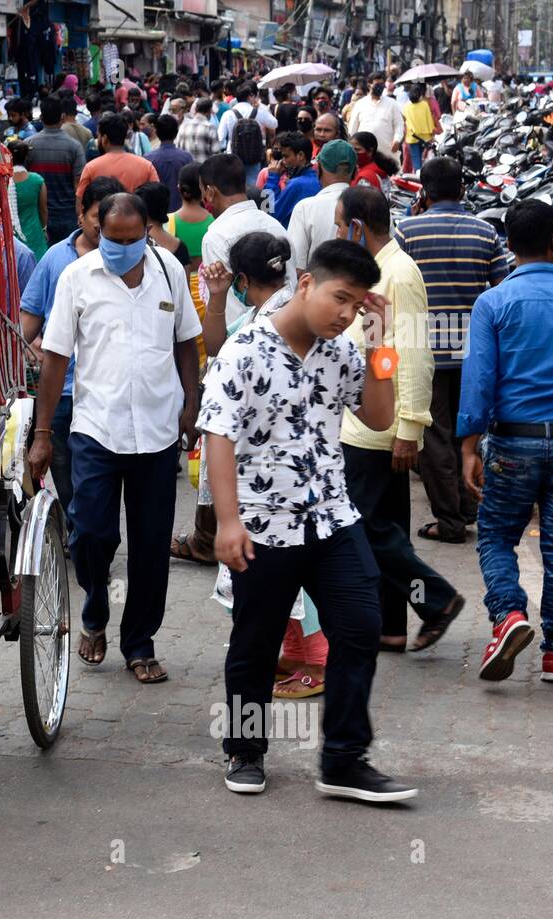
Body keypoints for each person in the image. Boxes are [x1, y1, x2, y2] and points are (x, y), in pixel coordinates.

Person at [201, 239, 417, 802]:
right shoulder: (245, 350)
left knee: (361, 627)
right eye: (339, 298)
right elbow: (218, 435)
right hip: (263, 526)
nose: (346, 314)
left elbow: (380, 416)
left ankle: (343, 760)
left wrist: (380, 346)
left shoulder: (342, 351)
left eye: (356, 305)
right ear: (305, 283)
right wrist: (228, 521)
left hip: (332, 519)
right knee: (255, 644)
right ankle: (245, 750)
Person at [30, 189, 201, 684]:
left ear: (147, 232)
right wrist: (42, 433)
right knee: (91, 533)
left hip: (158, 430)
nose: (122, 247)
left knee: (150, 546)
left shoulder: (169, 272)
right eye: (112, 238)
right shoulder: (76, 277)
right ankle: (95, 608)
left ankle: (140, 642)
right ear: (96, 229)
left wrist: (191, 402)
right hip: (96, 429)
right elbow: (55, 358)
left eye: (131, 239)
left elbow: (186, 342)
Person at [458, 201, 553, 684]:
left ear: (508, 246)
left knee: (496, 535)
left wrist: (468, 445)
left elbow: (479, 381)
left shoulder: (493, 303)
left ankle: (508, 615)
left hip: (511, 446)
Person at [335, 186, 464, 653]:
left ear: (356, 227)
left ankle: (438, 600)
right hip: (371, 421)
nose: (336, 234)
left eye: (339, 226)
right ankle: (391, 627)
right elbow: (382, 351)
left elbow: (412, 354)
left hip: (378, 429)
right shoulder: (375, 273)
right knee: (387, 533)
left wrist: (409, 426)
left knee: (368, 530)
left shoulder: (400, 273)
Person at [394, 157, 510, 544]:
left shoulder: (406, 231)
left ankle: (450, 519)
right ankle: (468, 505)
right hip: (475, 351)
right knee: (468, 430)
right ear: (462, 189)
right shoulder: (486, 233)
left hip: (424, 349)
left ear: (423, 192)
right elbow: (501, 293)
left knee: (434, 437)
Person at [171, 231, 294, 569]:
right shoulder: (261, 312)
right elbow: (215, 346)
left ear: (242, 279)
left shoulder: (276, 316)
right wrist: (218, 297)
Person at [22, 176, 126, 530]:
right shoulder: (56, 258)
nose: (105, 226)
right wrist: (18, 352)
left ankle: (93, 537)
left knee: (100, 482)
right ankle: (78, 535)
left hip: (109, 393)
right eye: (99, 217)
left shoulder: (132, 263)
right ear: (82, 215)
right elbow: (30, 316)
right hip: (62, 392)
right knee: (67, 481)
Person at [198, 153, 294, 325]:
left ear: (210, 192)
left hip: (247, 335)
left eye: (202, 192)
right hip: (288, 324)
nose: (202, 199)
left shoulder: (215, 237)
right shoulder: (275, 225)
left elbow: (230, 310)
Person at [286, 139, 356, 273]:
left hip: (319, 284)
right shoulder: (371, 203)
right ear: (355, 172)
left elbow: (296, 268)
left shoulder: (305, 208)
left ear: (318, 169)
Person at [25, 96, 86, 244]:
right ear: (63, 117)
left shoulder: (28, 145)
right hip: (68, 215)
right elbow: (79, 185)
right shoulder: (74, 147)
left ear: (41, 117)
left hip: (38, 215)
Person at [75, 114, 158, 203]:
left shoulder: (91, 168)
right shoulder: (146, 166)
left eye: (98, 136)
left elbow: (80, 202)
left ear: (104, 138)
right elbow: (157, 196)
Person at [218, 83, 278, 188]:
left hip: (233, 155)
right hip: (254, 155)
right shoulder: (258, 112)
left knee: (235, 185)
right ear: (250, 96)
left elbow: (221, 137)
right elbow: (274, 124)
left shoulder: (228, 114)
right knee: (254, 185)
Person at [165, 163, 213, 269]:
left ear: (179, 188)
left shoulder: (167, 223)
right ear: (205, 189)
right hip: (207, 279)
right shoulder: (215, 222)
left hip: (179, 278)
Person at [145, 115, 193, 214]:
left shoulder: (147, 159)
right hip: (182, 211)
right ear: (176, 133)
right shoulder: (186, 157)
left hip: (157, 213)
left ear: (156, 132)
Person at [10, 141, 49, 261]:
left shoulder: (4, 181)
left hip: (12, 236)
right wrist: (44, 229)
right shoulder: (37, 180)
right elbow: (43, 209)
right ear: (26, 157)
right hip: (34, 235)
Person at [271, 131, 319, 229]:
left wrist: (272, 177)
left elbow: (268, 212)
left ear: (300, 155)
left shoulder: (296, 185)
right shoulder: (319, 178)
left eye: (286, 156)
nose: (282, 161)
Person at [348, 75, 404, 156]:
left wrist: (397, 140)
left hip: (387, 152)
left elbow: (399, 124)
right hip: (364, 152)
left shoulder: (392, 104)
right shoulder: (360, 104)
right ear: (369, 85)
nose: (380, 87)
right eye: (377, 84)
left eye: (382, 84)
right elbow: (352, 128)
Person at [402, 84, 436, 172]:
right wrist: (432, 134)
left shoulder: (406, 106)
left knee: (415, 158)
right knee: (425, 157)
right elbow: (429, 120)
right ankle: (424, 173)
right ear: (420, 95)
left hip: (412, 136)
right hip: (425, 136)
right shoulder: (424, 104)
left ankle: (418, 173)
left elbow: (404, 120)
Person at [180, 99, 221, 164]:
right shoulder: (210, 128)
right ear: (209, 111)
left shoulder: (183, 126)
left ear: (196, 110)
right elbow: (216, 154)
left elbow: (178, 149)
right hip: (205, 168)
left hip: (187, 168)